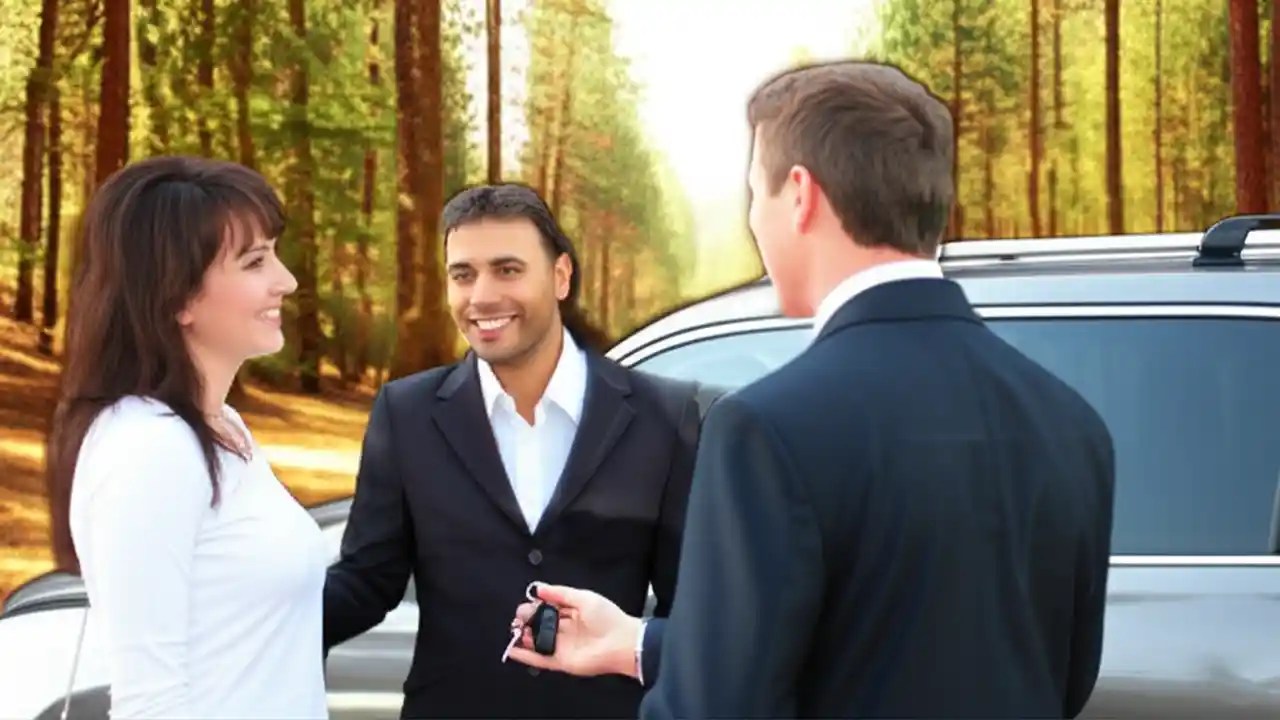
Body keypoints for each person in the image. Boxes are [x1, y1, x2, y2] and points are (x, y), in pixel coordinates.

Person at [505, 60, 1117, 719]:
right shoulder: (1073, 424)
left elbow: (716, 710)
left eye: (753, 194)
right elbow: (1038, 676)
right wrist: (644, 645)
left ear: (800, 194)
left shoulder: (765, 430)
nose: (751, 219)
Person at [322, 183, 705, 718]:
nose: (481, 297)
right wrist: (246, 628)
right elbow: (366, 581)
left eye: (507, 270)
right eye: (463, 274)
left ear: (561, 276)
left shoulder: (663, 416)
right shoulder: (405, 414)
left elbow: (690, 606)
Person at [46, 156, 329, 718]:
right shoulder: (148, 448)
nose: (287, 282)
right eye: (255, 262)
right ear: (177, 297)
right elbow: (148, 702)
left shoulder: (223, 430)